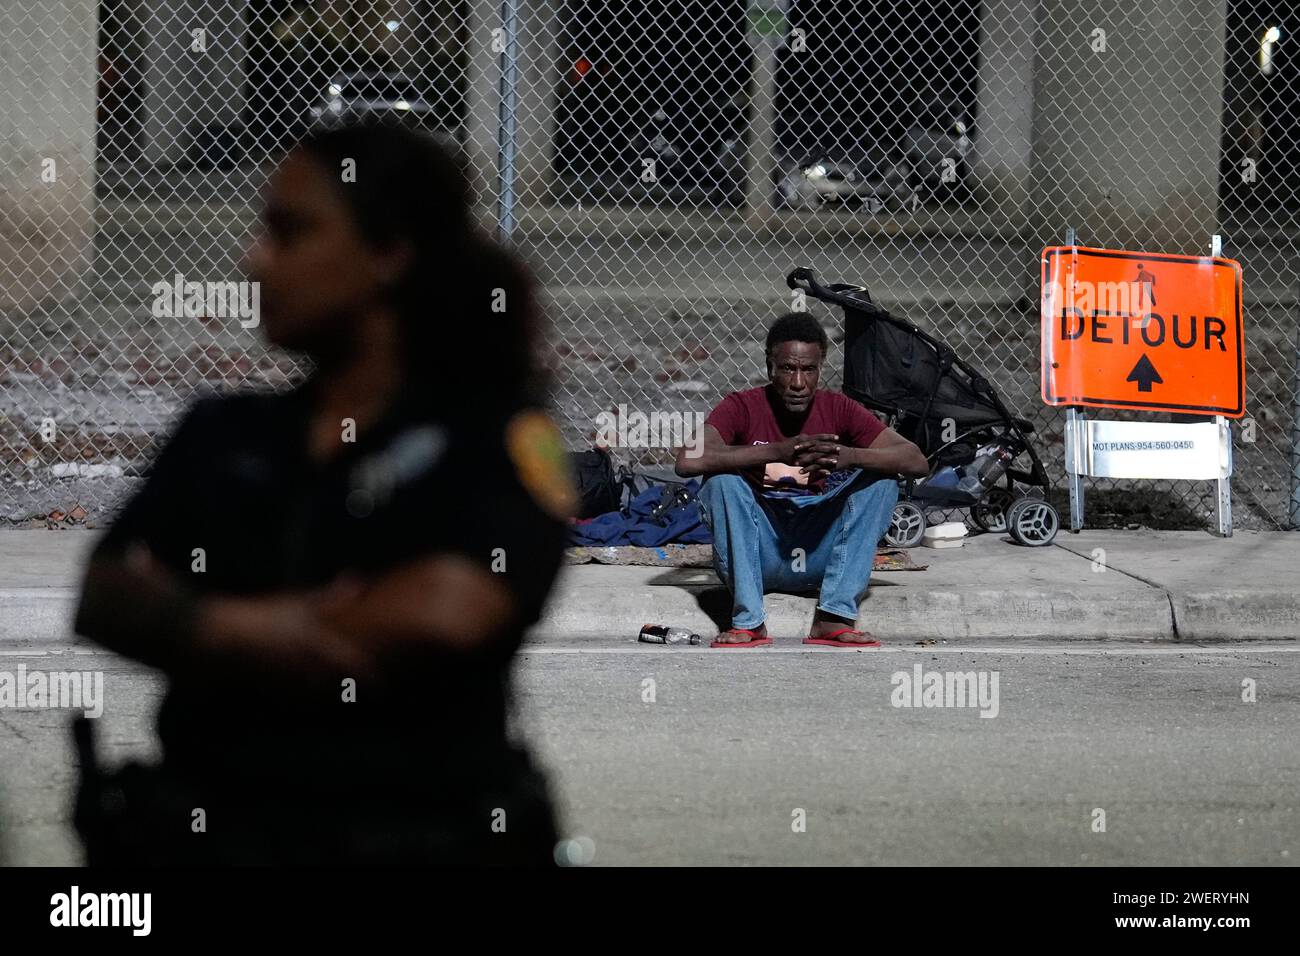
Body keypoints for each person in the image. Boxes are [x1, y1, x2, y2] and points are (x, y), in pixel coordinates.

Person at [73, 123, 575, 865]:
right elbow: (104, 595)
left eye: (290, 232)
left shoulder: (497, 437)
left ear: (387, 252)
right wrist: (299, 626)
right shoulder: (225, 432)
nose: (254, 260)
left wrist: (197, 623)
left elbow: (446, 613)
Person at [674, 313, 928, 648]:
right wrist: (777, 451)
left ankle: (834, 618)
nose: (797, 382)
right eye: (787, 369)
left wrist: (849, 455)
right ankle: (749, 622)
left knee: (882, 481)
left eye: (807, 370)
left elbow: (915, 460)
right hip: (759, 552)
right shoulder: (742, 406)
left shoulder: (838, 408)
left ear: (820, 368)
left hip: (820, 551)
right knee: (721, 482)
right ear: (770, 367)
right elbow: (687, 459)